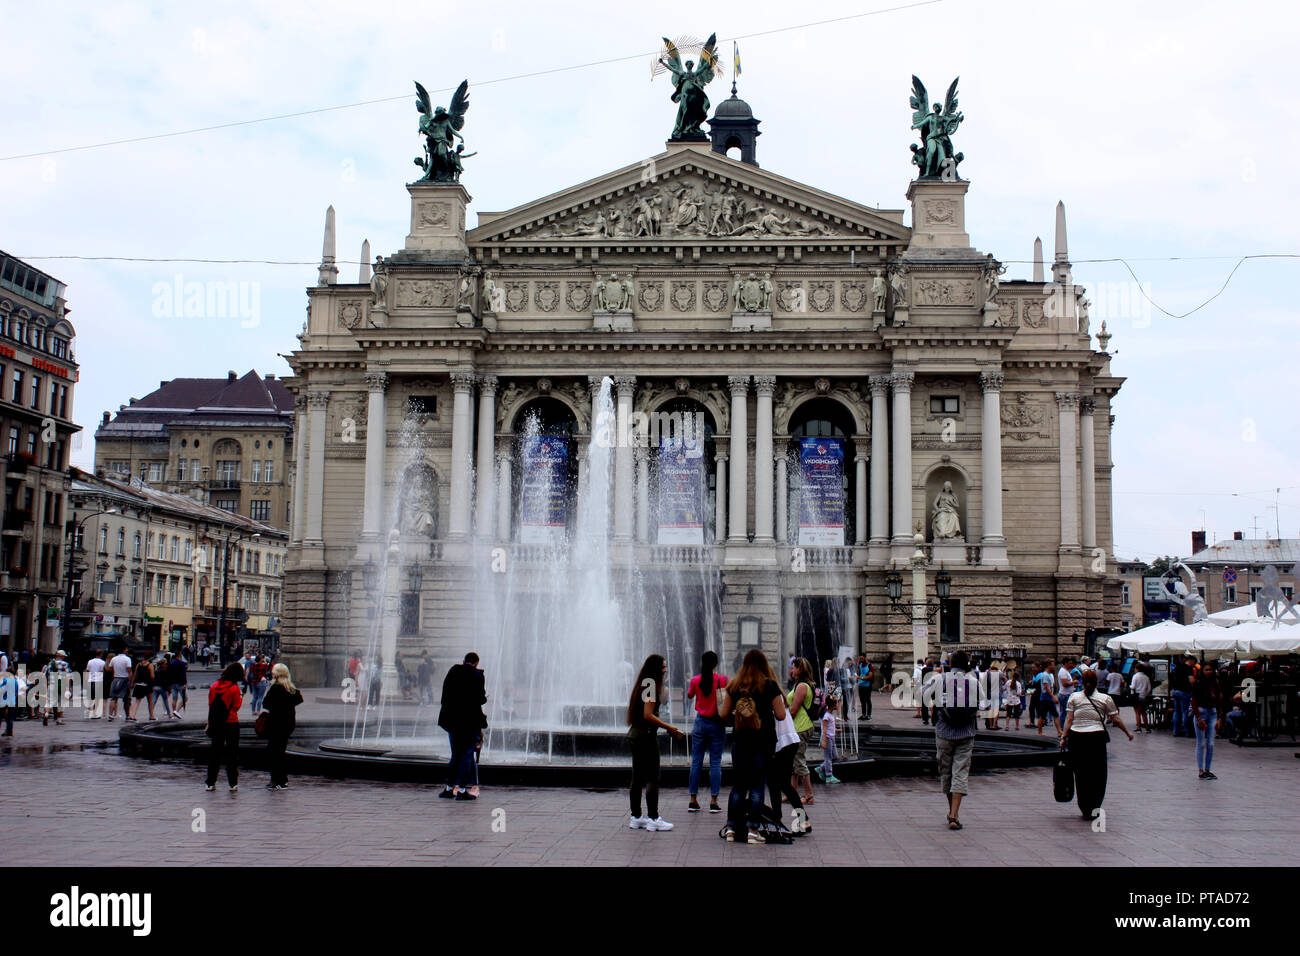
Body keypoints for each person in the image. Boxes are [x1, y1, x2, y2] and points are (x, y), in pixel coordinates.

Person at [719, 649, 787, 844]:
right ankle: (753, 831)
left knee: (739, 785)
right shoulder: (770, 686)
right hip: (763, 742)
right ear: (764, 664)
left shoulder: (734, 685)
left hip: (740, 741)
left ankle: (731, 829)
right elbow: (781, 715)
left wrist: (739, 713)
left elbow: (723, 715)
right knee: (757, 785)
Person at [1061, 669, 1133, 818]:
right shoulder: (1105, 699)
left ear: (1081, 681)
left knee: (1080, 773)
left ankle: (1084, 806)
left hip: (1077, 738)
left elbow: (1069, 719)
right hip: (1096, 738)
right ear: (1096, 682)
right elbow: (1116, 719)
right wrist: (1127, 733)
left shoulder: (1074, 697)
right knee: (1098, 773)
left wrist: (1063, 737)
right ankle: (1094, 805)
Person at [627, 654, 685, 831]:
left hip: (636, 734)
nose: (665, 670)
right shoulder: (650, 684)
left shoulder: (644, 683)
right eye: (663, 667)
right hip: (645, 736)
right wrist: (670, 727)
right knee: (652, 777)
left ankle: (636, 816)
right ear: (655, 669)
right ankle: (653, 818)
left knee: (637, 778)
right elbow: (648, 714)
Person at [935, 651, 981, 830]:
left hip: (944, 732)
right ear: (967, 664)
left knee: (946, 772)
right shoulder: (973, 681)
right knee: (960, 772)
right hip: (966, 732)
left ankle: (951, 812)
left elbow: (923, 695)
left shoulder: (939, 679)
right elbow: (982, 704)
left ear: (950, 663)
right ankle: (954, 814)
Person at [437, 652, 487, 800]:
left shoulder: (453, 671)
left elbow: (445, 694)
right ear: (476, 663)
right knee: (466, 754)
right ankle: (462, 790)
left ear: (463, 661)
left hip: (452, 721)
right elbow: (480, 699)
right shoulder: (477, 676)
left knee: (455, 755)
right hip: (469, 722)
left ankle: (448, 788)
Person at [686, 650, 727, 813]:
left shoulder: (696, 680)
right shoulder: (722, 679)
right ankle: (714, 801)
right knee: (715, 762)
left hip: (700, 723)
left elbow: (689, 696)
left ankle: (693, 800)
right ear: (716, 664)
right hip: (717, 723)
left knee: (696, 762)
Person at [261, 663, 303, 790]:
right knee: (280, 751)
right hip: (288, 723)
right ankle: (282, 780)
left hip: (276, 724)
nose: (272, 673)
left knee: (274, 752)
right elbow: (298, 699)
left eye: (274, 671)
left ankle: (277, 780)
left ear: (277, 674)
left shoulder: (276, 688)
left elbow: (266, 703)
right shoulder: (290, 688)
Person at [205, 663, 244, 792]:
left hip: (216, 723)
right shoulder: (234, 688)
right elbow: (236, 707)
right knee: (232, 754)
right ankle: (232, 783)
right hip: (231, 723)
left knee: (215, 753)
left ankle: (210, 782)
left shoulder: (214, 686)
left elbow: (211, 705)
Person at [787, 657, 817, 805]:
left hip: (801, 726)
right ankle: (792, 793)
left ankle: (809, 795)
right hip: (798, 726)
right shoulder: (798, 684)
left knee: (799, 760)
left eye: (793, 667)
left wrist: (780, 719)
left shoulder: (802, 687)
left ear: (800, 669)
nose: (791, 670)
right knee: (794, 761)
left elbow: (793, 710)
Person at [1190, 660, 1223, 780]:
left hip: (1213, 713)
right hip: (1201, 712)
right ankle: (1200, 770)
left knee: (1211, 743)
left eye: (1210, 670)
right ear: (1202, 672)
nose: (1209, 672)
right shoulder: (1198, 684)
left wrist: (1220, 717)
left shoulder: (1216, 684)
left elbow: (1220, 701)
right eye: (1206, 670)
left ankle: (1207, 769)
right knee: (1201, 743)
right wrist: (1199, 718)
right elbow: (1193, 701)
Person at [817, 693, 842, 784]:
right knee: (828, 757)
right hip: (827, 739)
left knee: (835, 757)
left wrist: (836, 730)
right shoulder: (826, 716)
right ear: (832, 705)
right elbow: (824, 729)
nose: (837, 705)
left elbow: (829, 728)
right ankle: (829, 776)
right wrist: (823, 740)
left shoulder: (830, 715)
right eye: (836, 704)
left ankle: (821, 768)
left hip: (831, 738)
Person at [1170, 654, 1195, 738]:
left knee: (1176, 712)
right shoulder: (1189, 669)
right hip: (1184, 691)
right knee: (1185, 711)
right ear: (1191, 661)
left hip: (1175, 691)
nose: (1194, 665)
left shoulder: (1177, 668)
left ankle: (1175, 731)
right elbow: (1191, 680)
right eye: (1194, 663)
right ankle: (1187, 731)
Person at [107, 648, 133, 722]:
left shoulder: (113, 659)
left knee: (113, 698)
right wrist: (131, 681)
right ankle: (127, 715)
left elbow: (110, 668)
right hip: (125, 679)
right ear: (124, 650)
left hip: (116, 679)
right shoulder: (127, 659)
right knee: (126, 699)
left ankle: (110, 715)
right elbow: (129, 670)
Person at [129, 656, 154, 721]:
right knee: (150, 701)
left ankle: (133, 715)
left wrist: (132, 683)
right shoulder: (150, 665)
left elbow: (135, 674)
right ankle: (151, 716)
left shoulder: (138, 665)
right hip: (147, 684)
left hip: (139, 684)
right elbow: (152, 676)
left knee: (137, 701)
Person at [1130, 664, 1153, 733]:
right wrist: (1145, 694)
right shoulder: (1146, 677)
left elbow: (1133, 687)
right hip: (1144, 696)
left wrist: (1130, 686)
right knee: (1143, 712)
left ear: (1137, 669)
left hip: (1136, 696)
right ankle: (1147, 727)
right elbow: (1149, 689)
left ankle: (1139, 727)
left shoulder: (1135, 676)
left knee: (1137, 713)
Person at [1056, 658, 1076, 731]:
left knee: (1066, 712)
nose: (1071, 665)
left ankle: (1064, 727)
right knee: (1064, 713)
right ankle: (1062, 728)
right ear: (1066, 663)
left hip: (1067, 694)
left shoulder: (1066, 671)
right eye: (1070, 663)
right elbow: (1065, 684)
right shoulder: (1063, 672)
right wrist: (1074, 682)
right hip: (1065, 695)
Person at [85, 650, 106, 720]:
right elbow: (102, 671)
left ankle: (88, 711)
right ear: (101, 654)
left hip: (90, 680)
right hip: (98, 680)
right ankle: (96, 713)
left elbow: (87, 671)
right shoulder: (102, 662)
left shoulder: (90, 661)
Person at [150, 654, 171, 719]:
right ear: (162, 664)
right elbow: (166, 681)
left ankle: (151, 713)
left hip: (155, 687)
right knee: (165, 701)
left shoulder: (156, 670)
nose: (166, 665)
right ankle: (169, 714)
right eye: (165, 663)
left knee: (154, 700)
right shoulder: (164, 671)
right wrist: (169, 688)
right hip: (162, 688)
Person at [167, 652, 188, 718]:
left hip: (173, 683)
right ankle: (177, 711)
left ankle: (174, 711)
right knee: (185, 698)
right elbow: (183, 674)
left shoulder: (170, 664)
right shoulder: (181, 663)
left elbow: (168, 674)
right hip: (180, 683)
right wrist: (184, 683)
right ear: (179, 656)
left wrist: (169, 683)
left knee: (174, 699)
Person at [1, 663, 18, 736]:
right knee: (10, 718)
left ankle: (7, 731)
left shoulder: (5, 681)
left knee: (1, 716)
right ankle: (10, 731)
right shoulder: (15, 681)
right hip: (12, 701)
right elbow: (16, 692)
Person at [856, 655, 873, 720]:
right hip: (861, 685)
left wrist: (861, 678)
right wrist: (857, 665)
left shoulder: (869, 665)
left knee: (868, 700)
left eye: (862, 658)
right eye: (860, 658)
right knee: (862, 701)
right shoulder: (860, 665)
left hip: (867, 686)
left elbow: (870, 676)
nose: (861, 659)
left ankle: (869, 715)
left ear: (865, 658)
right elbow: (858, 674)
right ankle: (863, 715)